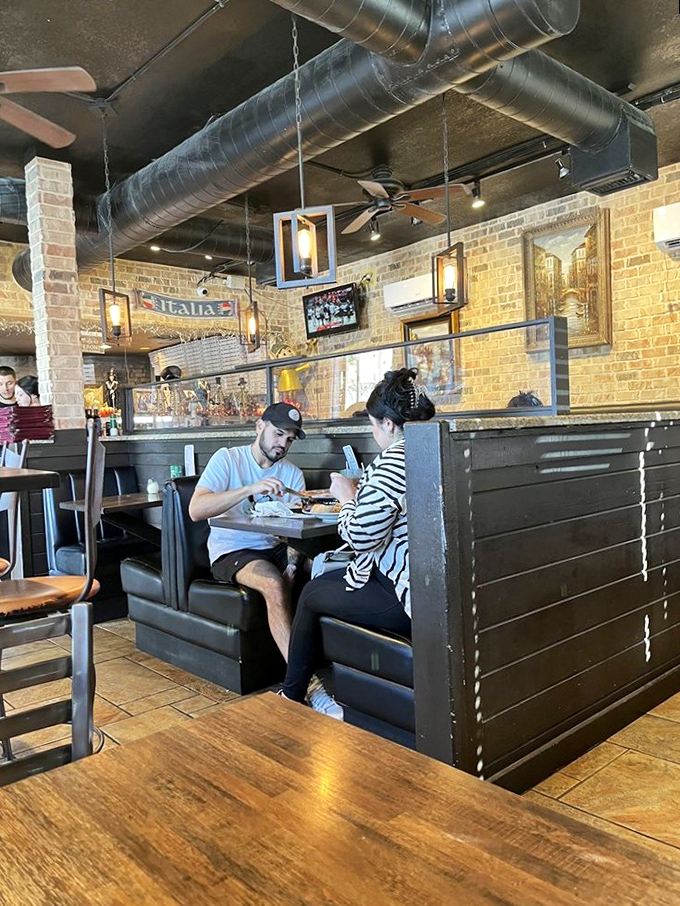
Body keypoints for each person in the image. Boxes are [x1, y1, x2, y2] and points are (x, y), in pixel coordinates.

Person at [280, 368, 436, 718]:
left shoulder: (395, 460)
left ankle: (293, 697)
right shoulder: (432, 447)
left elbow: (360, 536)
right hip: (430, 582)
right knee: (322, 582)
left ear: (389, 425)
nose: (373, 432)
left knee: (310, 594)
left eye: (373, 424)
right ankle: (319, 688)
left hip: (405, 592)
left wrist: (347, 496)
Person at [189, 402, 307, 659]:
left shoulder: (293, 475)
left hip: (275, 549)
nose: (283, 444)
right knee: (274, 584)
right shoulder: (228, 459)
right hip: (233, 550)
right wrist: (250, 489)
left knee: (326, 571)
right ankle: (300, 683)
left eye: (289, 439)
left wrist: (292, 566)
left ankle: (330, 666)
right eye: (278, 434)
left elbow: (295, 529)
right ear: (259, 426)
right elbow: (196, 509)